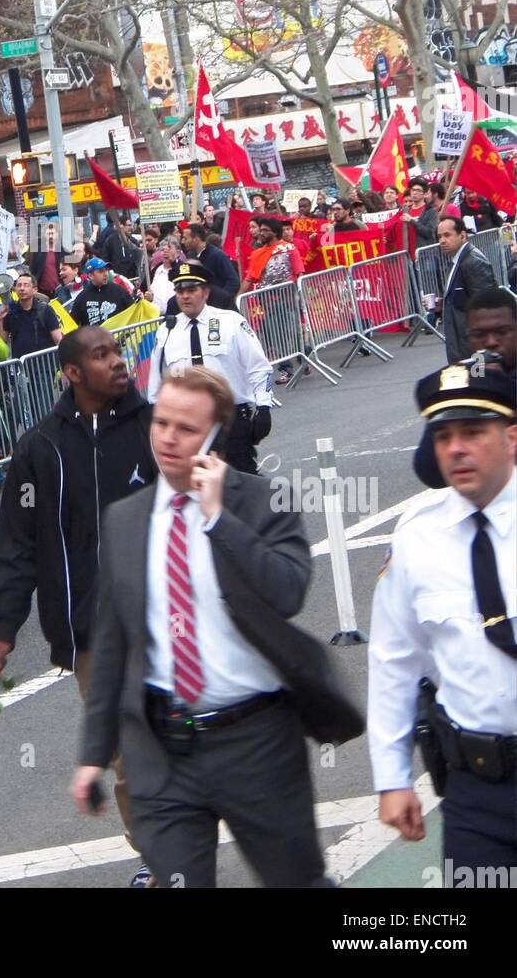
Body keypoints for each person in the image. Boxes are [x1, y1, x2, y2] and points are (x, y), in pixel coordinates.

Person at [72, 367, 361, 888]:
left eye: (185, 427)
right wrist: (93, 755)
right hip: (163, 749)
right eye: (161, 422)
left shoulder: (260, 501)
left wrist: (218, 520)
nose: (167, 438)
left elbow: (286, 592)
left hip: (255, 741)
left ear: (214, 435)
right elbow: (112, 644)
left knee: (296, 879)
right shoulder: (126, 520)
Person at [0, 326, 156, 884]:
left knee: (186, 739)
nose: (117, 362)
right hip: (92, 632)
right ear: (73, 373)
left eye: (118, 351)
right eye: (101, 355)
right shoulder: (41, 447)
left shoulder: (156, 428)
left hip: (169, 621)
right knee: (130, 754)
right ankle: (161, 862)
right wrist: (5, 624)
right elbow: (16, 540)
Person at [368, 362, 516, 883]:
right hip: (479, 789)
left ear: (512, 437)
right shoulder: (416, 539)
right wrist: (392, 777)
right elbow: (394, 660)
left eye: (473, 432)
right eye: (444, 435)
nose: (456, 448)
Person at [147, 262, 273, 473]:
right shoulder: (167, 331)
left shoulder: (230, 322)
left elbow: (259, 367)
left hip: (229, 420)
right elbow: (156, 381)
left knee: (240, 486)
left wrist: (263, 407)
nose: (185, 296)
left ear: (205, 292)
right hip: (187, 423)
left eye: (191, 290)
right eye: (180, 291)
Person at [413, 289, 517, 489]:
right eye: (479, 335)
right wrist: (473, 386)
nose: (491, 342)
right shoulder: (468, 380)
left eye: (501, 332)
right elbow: (430, 473)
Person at [436, 217, 496, 363]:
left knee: (479, 382)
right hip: (463, 346)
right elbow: (463, 299)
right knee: (468, 384)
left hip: (474, 348)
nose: (442, 241)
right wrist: (442, 304)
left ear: (462, 236)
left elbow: (486, 307)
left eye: (447, 235)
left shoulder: (473, 261)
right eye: (439, 237)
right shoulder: (457, 260)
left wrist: (481, 349)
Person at [0, 272, 63, 358]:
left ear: (35, 290)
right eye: (19, 285)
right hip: (22, 368)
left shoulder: (46, 310)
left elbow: (58, 339)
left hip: (45, 367)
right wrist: (0, 319)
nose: (22, 288)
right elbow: (2, 340)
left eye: (26, 285)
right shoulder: (11, 312)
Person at [183, 223, 240, 309]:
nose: (183, 241)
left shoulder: (217, 255)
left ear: (196, 239)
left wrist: (220, 300)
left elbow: (233, 281)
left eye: (185, 238)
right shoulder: (191, 256)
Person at [70, 259, 135, 328]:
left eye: (106, 270)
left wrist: (139, 300)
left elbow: (133, 309)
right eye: (101, 271)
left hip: (121, 337)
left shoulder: (118, 290)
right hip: (95, 338)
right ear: (91, 275)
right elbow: (72, 324)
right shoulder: (82, 298)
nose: (106, 274)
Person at [27, 220, 62, 298]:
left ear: (57, 234)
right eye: (48, 234)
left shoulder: (63, 251)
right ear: (44, 235)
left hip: (60, 291)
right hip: (42, 292)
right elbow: (32, 270)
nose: (50, 236)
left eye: (52, 233)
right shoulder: (37, 252)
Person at [147, 237, 184, 312]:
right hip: (156, 316)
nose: (165, 252)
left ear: (178, 253)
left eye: (169, 249)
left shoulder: (182, 268)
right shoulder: (157, 269)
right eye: (162, 250)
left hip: (176, 313)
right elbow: (144, 287)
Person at [401, 178, 438, 248]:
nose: (414, 193)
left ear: (425, 194)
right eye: (412, 190)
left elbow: (429, 233)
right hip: (408, 254)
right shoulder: (405, 210)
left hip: (425, 254)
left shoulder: (431, 211)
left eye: (418, 190)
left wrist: (412, 221)